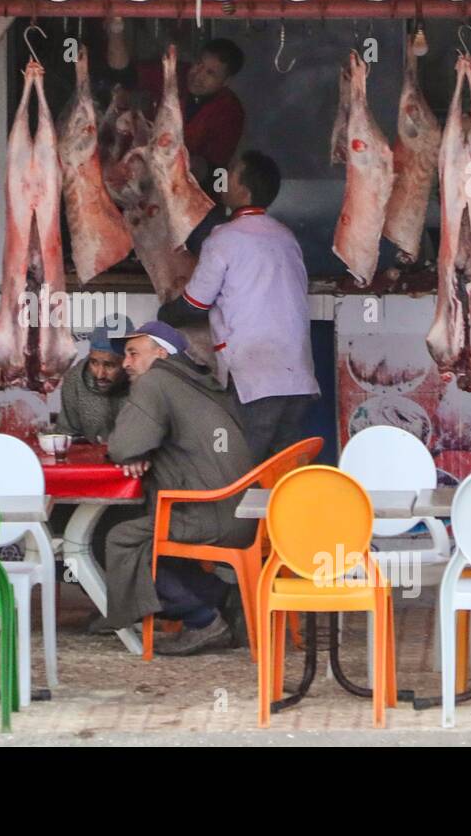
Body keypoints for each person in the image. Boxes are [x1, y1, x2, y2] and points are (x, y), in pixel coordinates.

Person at [101, 321, 255, 655]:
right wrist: (142, 450)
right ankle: (222, 598)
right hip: (240, 511)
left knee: (114, 537)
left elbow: (124, 445)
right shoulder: (197, 380)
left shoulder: (156, 380)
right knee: (148, 533)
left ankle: (202, 620)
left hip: (209, 512)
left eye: (132, 353)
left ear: (161, 354)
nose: (125, 363)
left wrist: (135, 451)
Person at [157, 151, 320, 464]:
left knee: (239, 469)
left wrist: (164, 315)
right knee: (286, 473)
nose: (222, 179)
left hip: (255, 377)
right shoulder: (286, 237)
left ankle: (238, 516)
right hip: (297, 375)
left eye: (229, 174)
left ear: (243, 190)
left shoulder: (225, 239)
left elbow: (194, 304)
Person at [104, 17, 246, 200]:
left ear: (226, 82)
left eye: (210, 73)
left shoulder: (230, 111)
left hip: (191, 195)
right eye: (199, 64)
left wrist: (176, 161)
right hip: (140, 186)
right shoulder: (173, 73)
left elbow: (213, 169)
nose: (198, 75)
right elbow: (123, 73)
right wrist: (116, 29)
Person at [56, 315, 134, 442]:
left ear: (126, 361)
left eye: (110, 365)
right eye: (94, 362)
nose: (100, 374)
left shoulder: (144, 382)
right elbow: (66, 435)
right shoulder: (75, 380)